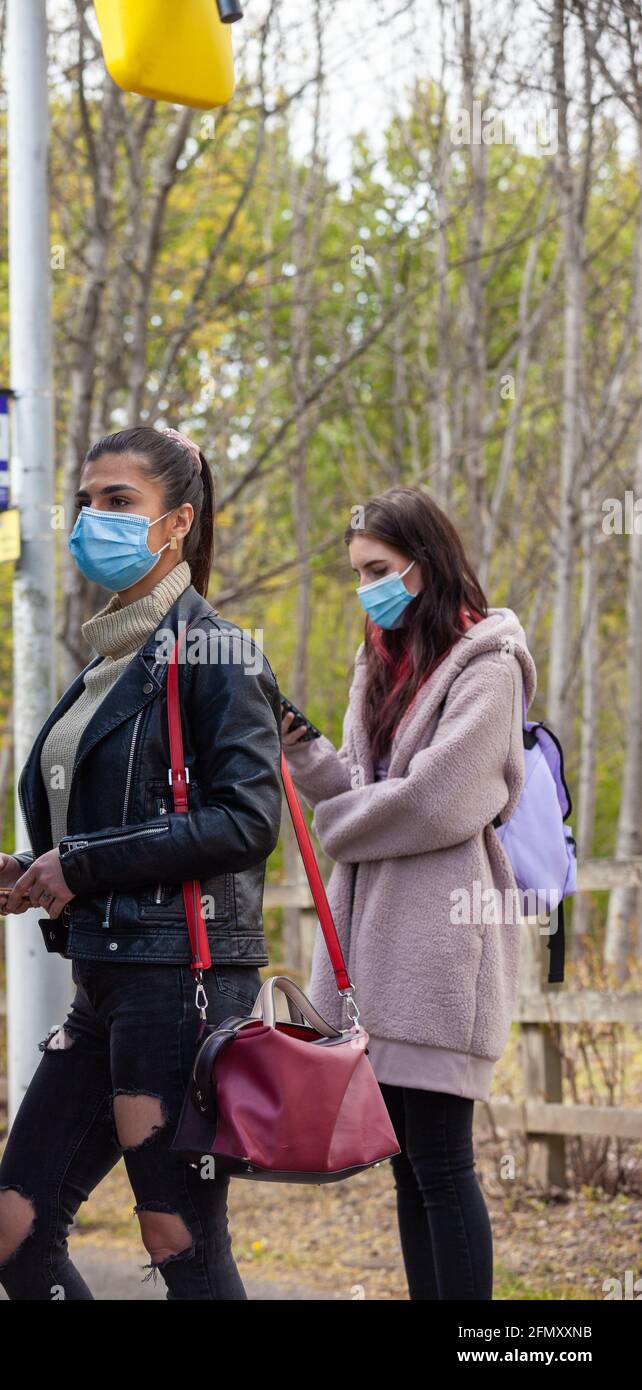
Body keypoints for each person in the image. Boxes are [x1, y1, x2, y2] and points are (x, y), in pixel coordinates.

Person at [0, 425, 282, 1300]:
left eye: (119, 503)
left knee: (177, 1233)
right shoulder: (107, 659)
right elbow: (114, 826)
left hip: (181, 981)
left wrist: (81, 863)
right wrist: (36, 868)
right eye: (86, 501)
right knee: (10, 1233)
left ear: (176, 522)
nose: (92, 520)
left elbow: (246, 821)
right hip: (103, 979)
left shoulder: (218, 651)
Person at [281, 485, 536, 1301]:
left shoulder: (491, 666)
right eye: (357, 573)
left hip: (438, 952)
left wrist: (341, 817)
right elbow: (361, 789)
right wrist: (304, 750)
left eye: (380, 570)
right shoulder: (379, 664)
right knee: (406, 1170)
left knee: (442, 1162)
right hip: (373, 951)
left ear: (425, 566)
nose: (367, 589)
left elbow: (437, 800)